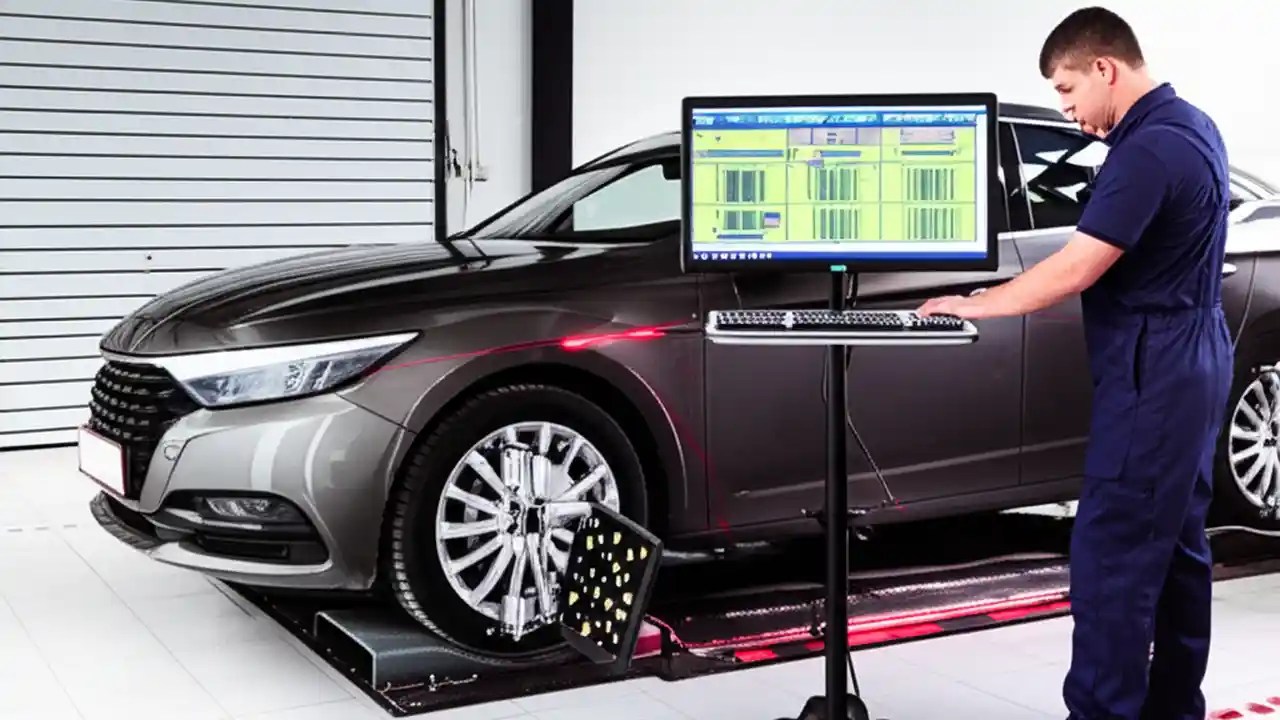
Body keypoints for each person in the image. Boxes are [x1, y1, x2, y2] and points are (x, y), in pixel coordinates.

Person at [917, 7, 1234, 720]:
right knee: (1178, 546)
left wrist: (976, 302)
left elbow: (1076, 267)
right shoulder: (1195, 125)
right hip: (1195, 352)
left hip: (1155, 366)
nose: (1067, 109)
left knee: (1112, 561)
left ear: (1104, 68)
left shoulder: (1147, 150)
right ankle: (1174, 709)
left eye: (1067, 90)